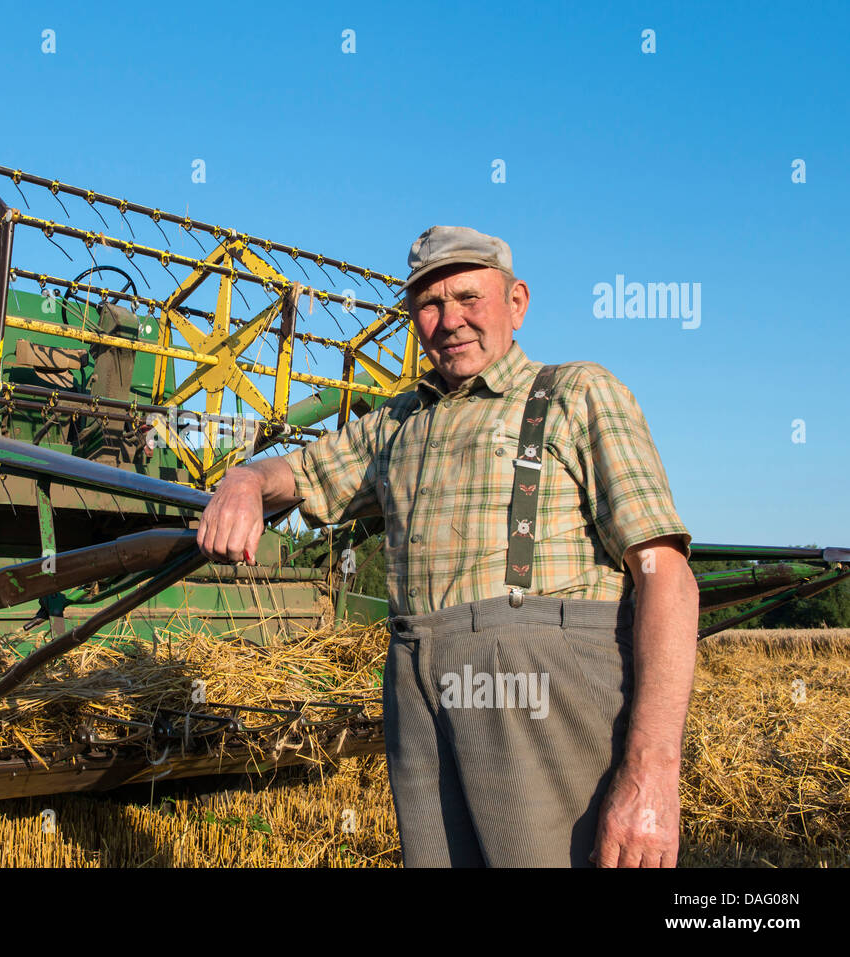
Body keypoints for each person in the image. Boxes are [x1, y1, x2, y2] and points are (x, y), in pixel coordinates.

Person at [195, 226, 699, 867]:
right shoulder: (399, 423)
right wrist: (244, 480)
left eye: (468, 297)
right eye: (429, 306)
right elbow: (297, 474)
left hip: (539, 691)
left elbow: (666, 576)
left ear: (517, 302)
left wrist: (654, 769)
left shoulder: (577, 393)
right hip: (420, 688)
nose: (449, 321)